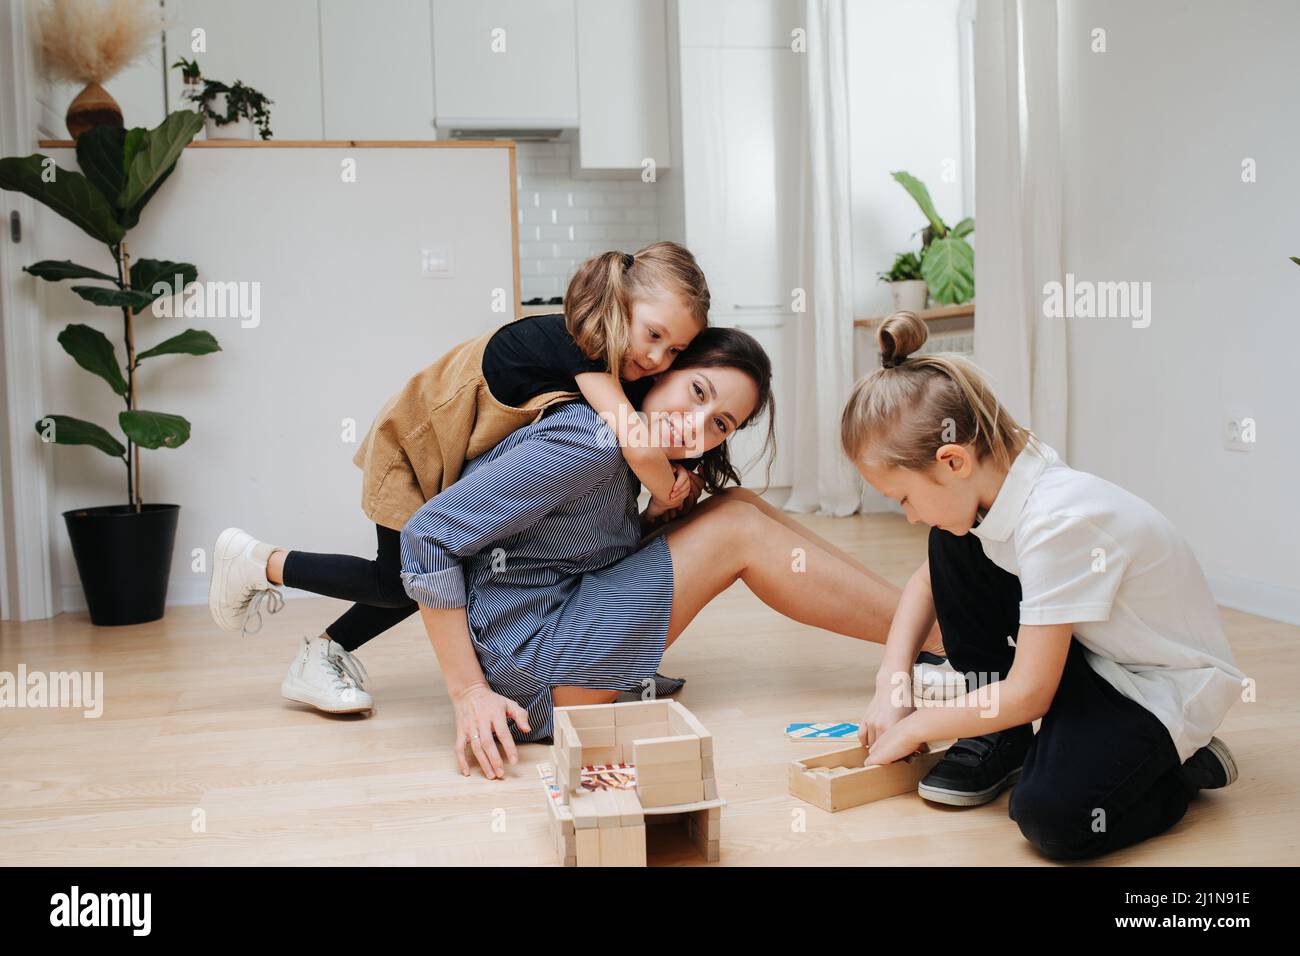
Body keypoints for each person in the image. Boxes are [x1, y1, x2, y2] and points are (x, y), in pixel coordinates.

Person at [398, 327, 944, 779]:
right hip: (532, 670)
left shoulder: (624, 451)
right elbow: (427, 537)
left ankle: (928, 625)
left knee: (737, 503)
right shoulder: (592, 445)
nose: (696, 427)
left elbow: (563, 552)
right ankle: (946, 634)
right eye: (698, 393)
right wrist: (468, 691)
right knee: (736, 528)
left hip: (552, 625)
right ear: (662, 370)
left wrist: (650, 523)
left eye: (720, 424)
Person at [208, 242, 710, 712]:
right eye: (654, 335)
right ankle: (260, 563)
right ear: (619, 304)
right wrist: (669, 489)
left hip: (448, 450)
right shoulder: (584, 347)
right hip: (415, 446)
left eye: (674, 351)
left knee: (433, 572)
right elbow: (635, 441)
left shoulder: (609, 361)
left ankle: (321, 652)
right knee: (404, 579)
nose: (657, 358)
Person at [845, 310, 1244, 859]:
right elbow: (928, 582)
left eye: (904, 498)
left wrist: (920, 727)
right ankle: (1003, 739)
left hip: (1154, 688)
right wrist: (891, 685)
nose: (908, 515)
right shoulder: (996, 479)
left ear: (952, 459)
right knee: (950, 541)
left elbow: (1032, 692)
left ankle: (1179, 766)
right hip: (1087, 655)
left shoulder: (1058, 520)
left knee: (1052, 818)